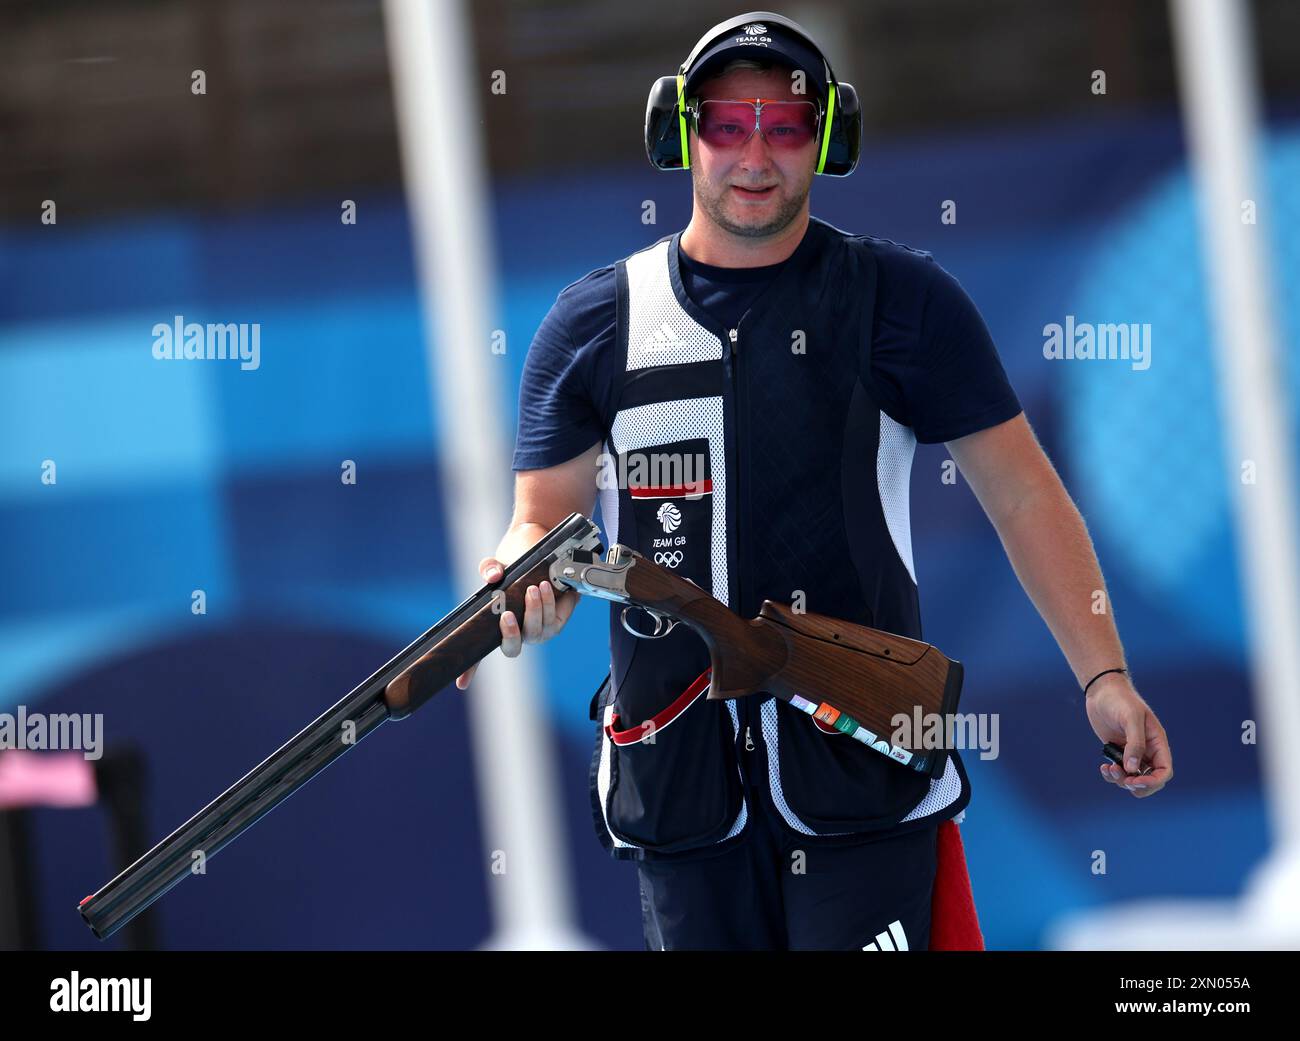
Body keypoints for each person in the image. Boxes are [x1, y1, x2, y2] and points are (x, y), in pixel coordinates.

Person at [456, 12, 1173, 950]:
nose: (755, 153)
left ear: (829, 137)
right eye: (726, 123)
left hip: (862, 779)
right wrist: (521, 584)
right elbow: (539, 524)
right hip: (681, 797)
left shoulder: (900, 300)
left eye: (785, 125)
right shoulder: (595, 324)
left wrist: (1105, 676)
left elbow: (1024, 495)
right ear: (680, 131)